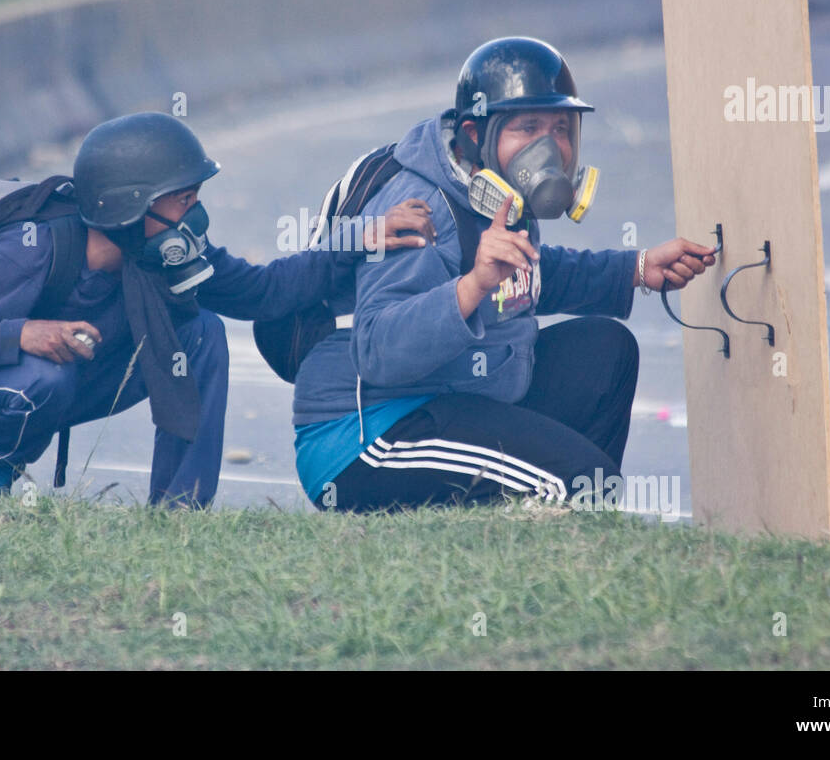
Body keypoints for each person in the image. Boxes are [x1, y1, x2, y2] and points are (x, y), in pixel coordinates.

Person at [0, 112, 433, 506]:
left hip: (45, 384)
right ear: (129, 205)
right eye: (182, 198)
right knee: (42, 375)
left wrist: (362, 236)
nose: (196, 211)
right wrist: (18, 334)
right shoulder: (28, 252)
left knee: (202, 333)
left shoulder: (162, 254)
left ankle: (179, 511)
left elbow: (264, 292)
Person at [291, 37, 717, 512]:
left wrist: (637, 269)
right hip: (371, 435)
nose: (549, 147)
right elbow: (377, 351)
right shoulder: (422, 208)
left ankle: (551, 513)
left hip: (456, 397)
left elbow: (526, 275)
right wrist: (472, 286)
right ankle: (563, 513)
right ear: (476, 133)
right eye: (528, 127)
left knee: (606, 351)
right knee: (583, 482)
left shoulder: (497, 192)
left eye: (561, 127)